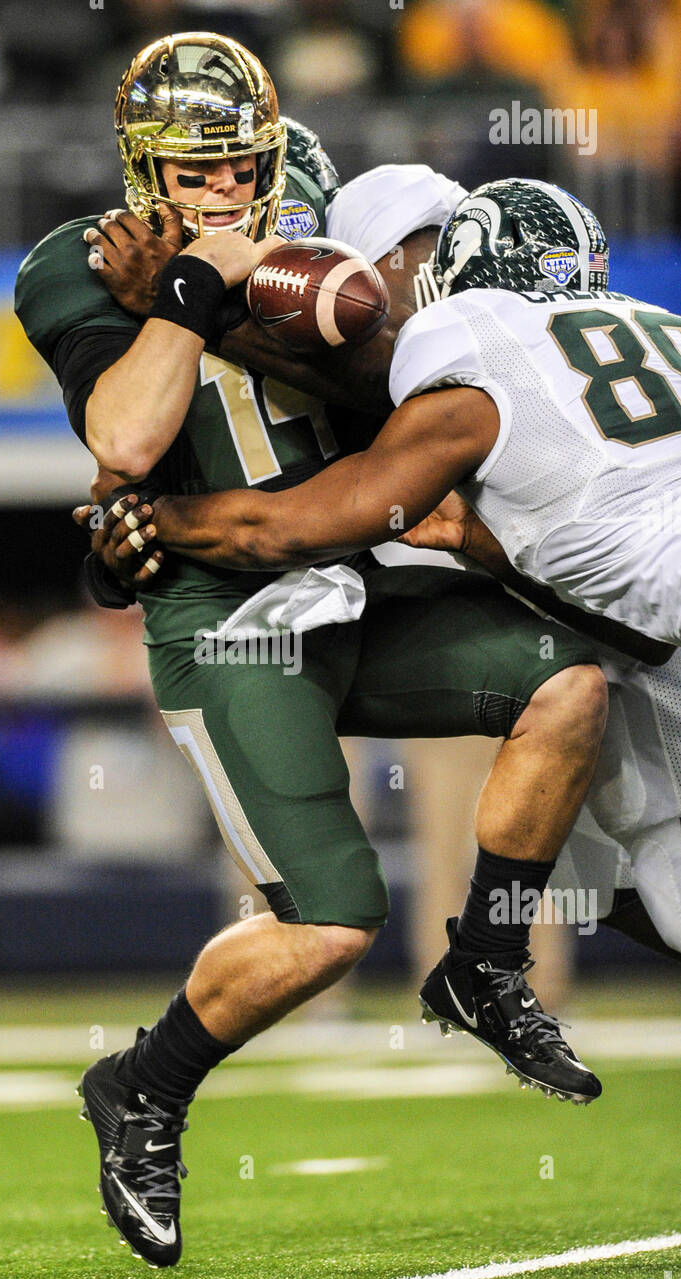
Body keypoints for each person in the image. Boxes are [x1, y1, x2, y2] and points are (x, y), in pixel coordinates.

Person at [17, 34, 607, 1270]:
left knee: (569, 682)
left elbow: (390, 414)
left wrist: (244, 286)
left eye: (240, 164)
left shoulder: (317, 248)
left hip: (356, 585)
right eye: (196, 170)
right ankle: (145, 1083)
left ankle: (489, 961)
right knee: (330, 921)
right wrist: (179, 294)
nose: (225, 189)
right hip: (230, 622)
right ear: (142, 171)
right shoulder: (78, 262)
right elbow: (127, 439)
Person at [128, 175, 681, 964]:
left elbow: (298, 514)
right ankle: (485, 966)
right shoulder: (654, 322)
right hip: (640, 627)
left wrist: (153, 515)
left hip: (625, 609)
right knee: (631, 862)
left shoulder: (468, 331)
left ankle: (480, 966)